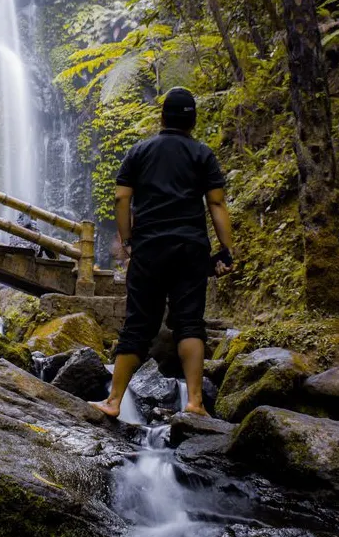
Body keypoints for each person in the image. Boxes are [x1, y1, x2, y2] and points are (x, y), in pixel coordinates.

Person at [91, 87, 235, 419]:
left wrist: (128, 243)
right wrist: (227, 249)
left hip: (150, 248)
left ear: (162, 117)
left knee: (138, 325)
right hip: (190, 250)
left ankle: (113, 402)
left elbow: (121, 199)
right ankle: (196, 402)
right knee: (189, 323)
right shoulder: (203, 154)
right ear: (193, 121)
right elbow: (216, 203)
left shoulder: (138, 152)